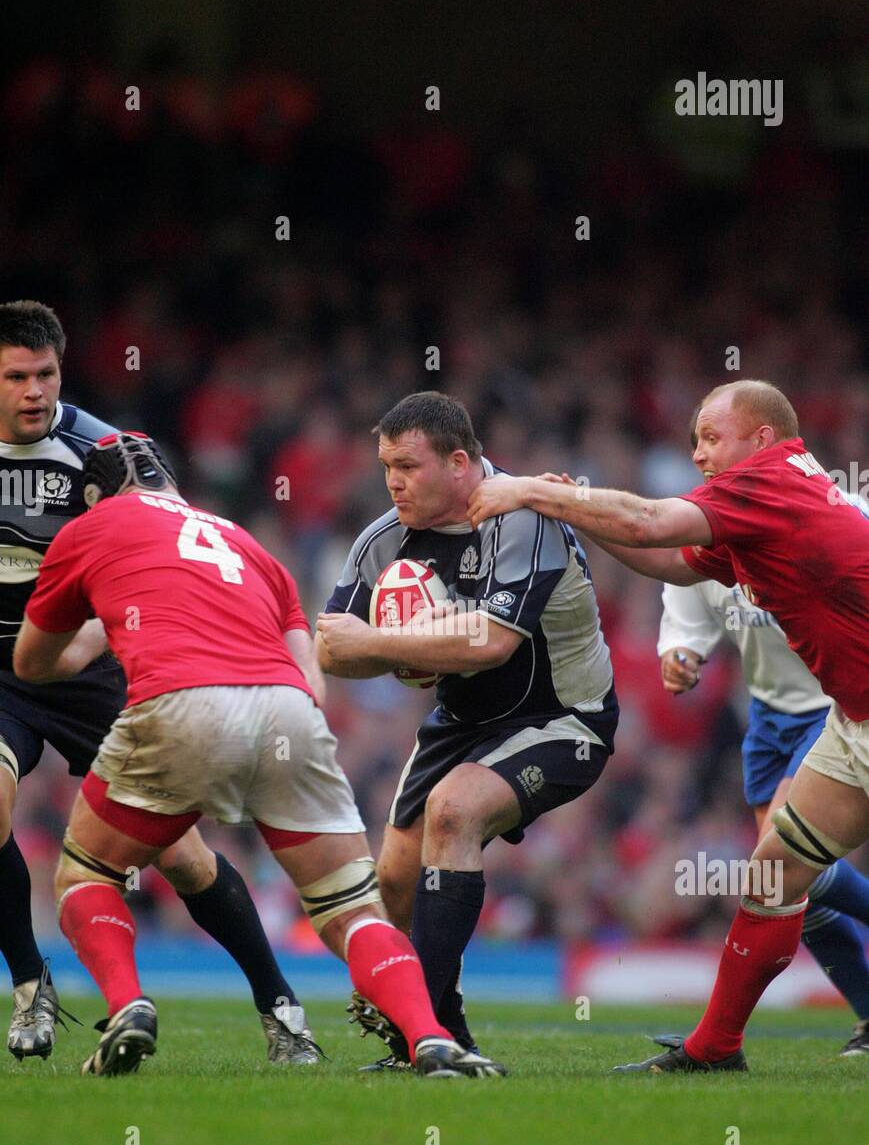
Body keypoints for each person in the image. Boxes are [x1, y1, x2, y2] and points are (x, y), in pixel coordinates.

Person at [13, 430, 498, 1079]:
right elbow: (314, 680)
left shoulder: (88, 530)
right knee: (350, 912)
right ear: (171, 485)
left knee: (86, 877)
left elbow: (32, 662)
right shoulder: (242, 542)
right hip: (287, 712)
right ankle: (428, 1035)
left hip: (179, 703)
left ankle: (128, 1005)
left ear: (95, 496)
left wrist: (103, 629)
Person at [468, 378, 869, 1071]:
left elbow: (650, 523)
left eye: (712, 438)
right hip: (852, 719)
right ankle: (714, 1049)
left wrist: (533, 490)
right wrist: (578, 514)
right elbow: (671, 561)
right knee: (776, 875)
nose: (699, 455)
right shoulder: (768, 500)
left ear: (762, 439)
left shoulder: (768, 482)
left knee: (778, 873)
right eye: (692, 443)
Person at [0, 301, 314, 1066]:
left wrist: (87, 642)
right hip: (3, 672)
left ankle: (281, 1005)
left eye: (45, 374)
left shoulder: (108, 452)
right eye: (15, 377)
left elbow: (173, 561)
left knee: (178, 855)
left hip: (91, 666)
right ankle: (31, 985)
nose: (34, 391)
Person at [316, 390, 618, 1069]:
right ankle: (438, 1038)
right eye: (384, 465)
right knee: (391, 886)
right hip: (458, 726)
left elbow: (490, 644)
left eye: (406, 465)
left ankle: (430, 1036)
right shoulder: (381, 540)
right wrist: (393, 645)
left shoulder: (522, 518)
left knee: (452, 813)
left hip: (563, 719)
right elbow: (332, 646)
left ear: (459, 463)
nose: (392, 480)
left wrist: (391, 642)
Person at [658, 577, 869, 1055]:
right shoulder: (710, 537)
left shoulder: (833, 514)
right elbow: (684, 599)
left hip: (830, 706)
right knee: (790, 891)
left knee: (779, 870)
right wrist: (680, 651)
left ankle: (715, 1043)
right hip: (767, 719)